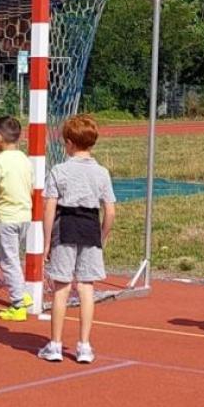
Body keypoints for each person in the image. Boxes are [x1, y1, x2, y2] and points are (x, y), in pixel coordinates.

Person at [37, 114, 116, 365]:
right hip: (90, 226)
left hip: (66, 226)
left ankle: (55, 344)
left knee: (61, 287)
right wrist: (102, 235)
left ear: (69, 143)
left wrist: (46, 241)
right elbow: (110, 211)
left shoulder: (59, 170)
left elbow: (49, 208)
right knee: (86, 287)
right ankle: (84, 345)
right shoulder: (102, 173)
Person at [0, 116, 34, 322]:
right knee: (14, 257)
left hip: (7, 217)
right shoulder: (25, 159)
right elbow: (31, 189)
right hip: (25, 216)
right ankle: (22, 293)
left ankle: (18, 305)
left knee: (8, 260)